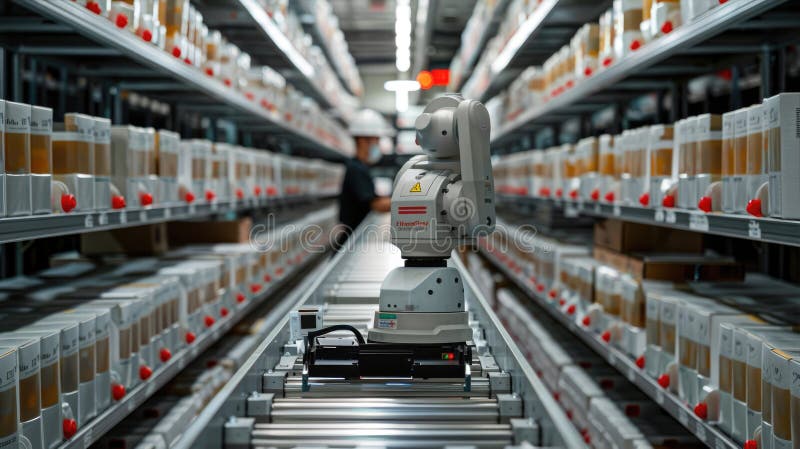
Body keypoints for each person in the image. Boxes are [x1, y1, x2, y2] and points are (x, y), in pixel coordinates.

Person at [338, 109, 393, 242]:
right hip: (352, 238)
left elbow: (372, 199)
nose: (378, 146)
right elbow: (376, 205)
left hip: (356, 234)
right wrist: (407, 203)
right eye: (377, 140)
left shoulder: (360, 167)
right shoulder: (356, 169)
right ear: (363, 141)